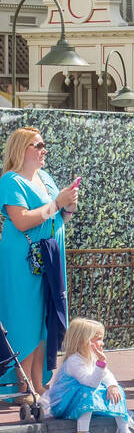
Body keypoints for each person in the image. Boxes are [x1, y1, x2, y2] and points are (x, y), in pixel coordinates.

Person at [0, 127, 77, 392]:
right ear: (22, 149)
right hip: (22, 258)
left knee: (45, 315)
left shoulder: (44, 177)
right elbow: (21, 221)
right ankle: (20, 384)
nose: (44, 149)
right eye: (38, 144)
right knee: (24, 316)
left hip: (49, 256)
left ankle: (37, 382)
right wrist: (57, 204)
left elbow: (55, 216)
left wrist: (67, 207)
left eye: (44, 144)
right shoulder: (11, 180)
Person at [44, 318, 134, 433]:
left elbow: (106, 375)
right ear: (82, 340)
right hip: (64, 404)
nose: (102, 343)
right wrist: (101, 364)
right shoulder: (74, 361)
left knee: (116, 388)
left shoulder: (92, 357)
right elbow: (90, 383)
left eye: (102, 339)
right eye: (97, 339)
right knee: (87, 390)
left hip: (78, 400)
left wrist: (112, 385)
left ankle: (123, 429)